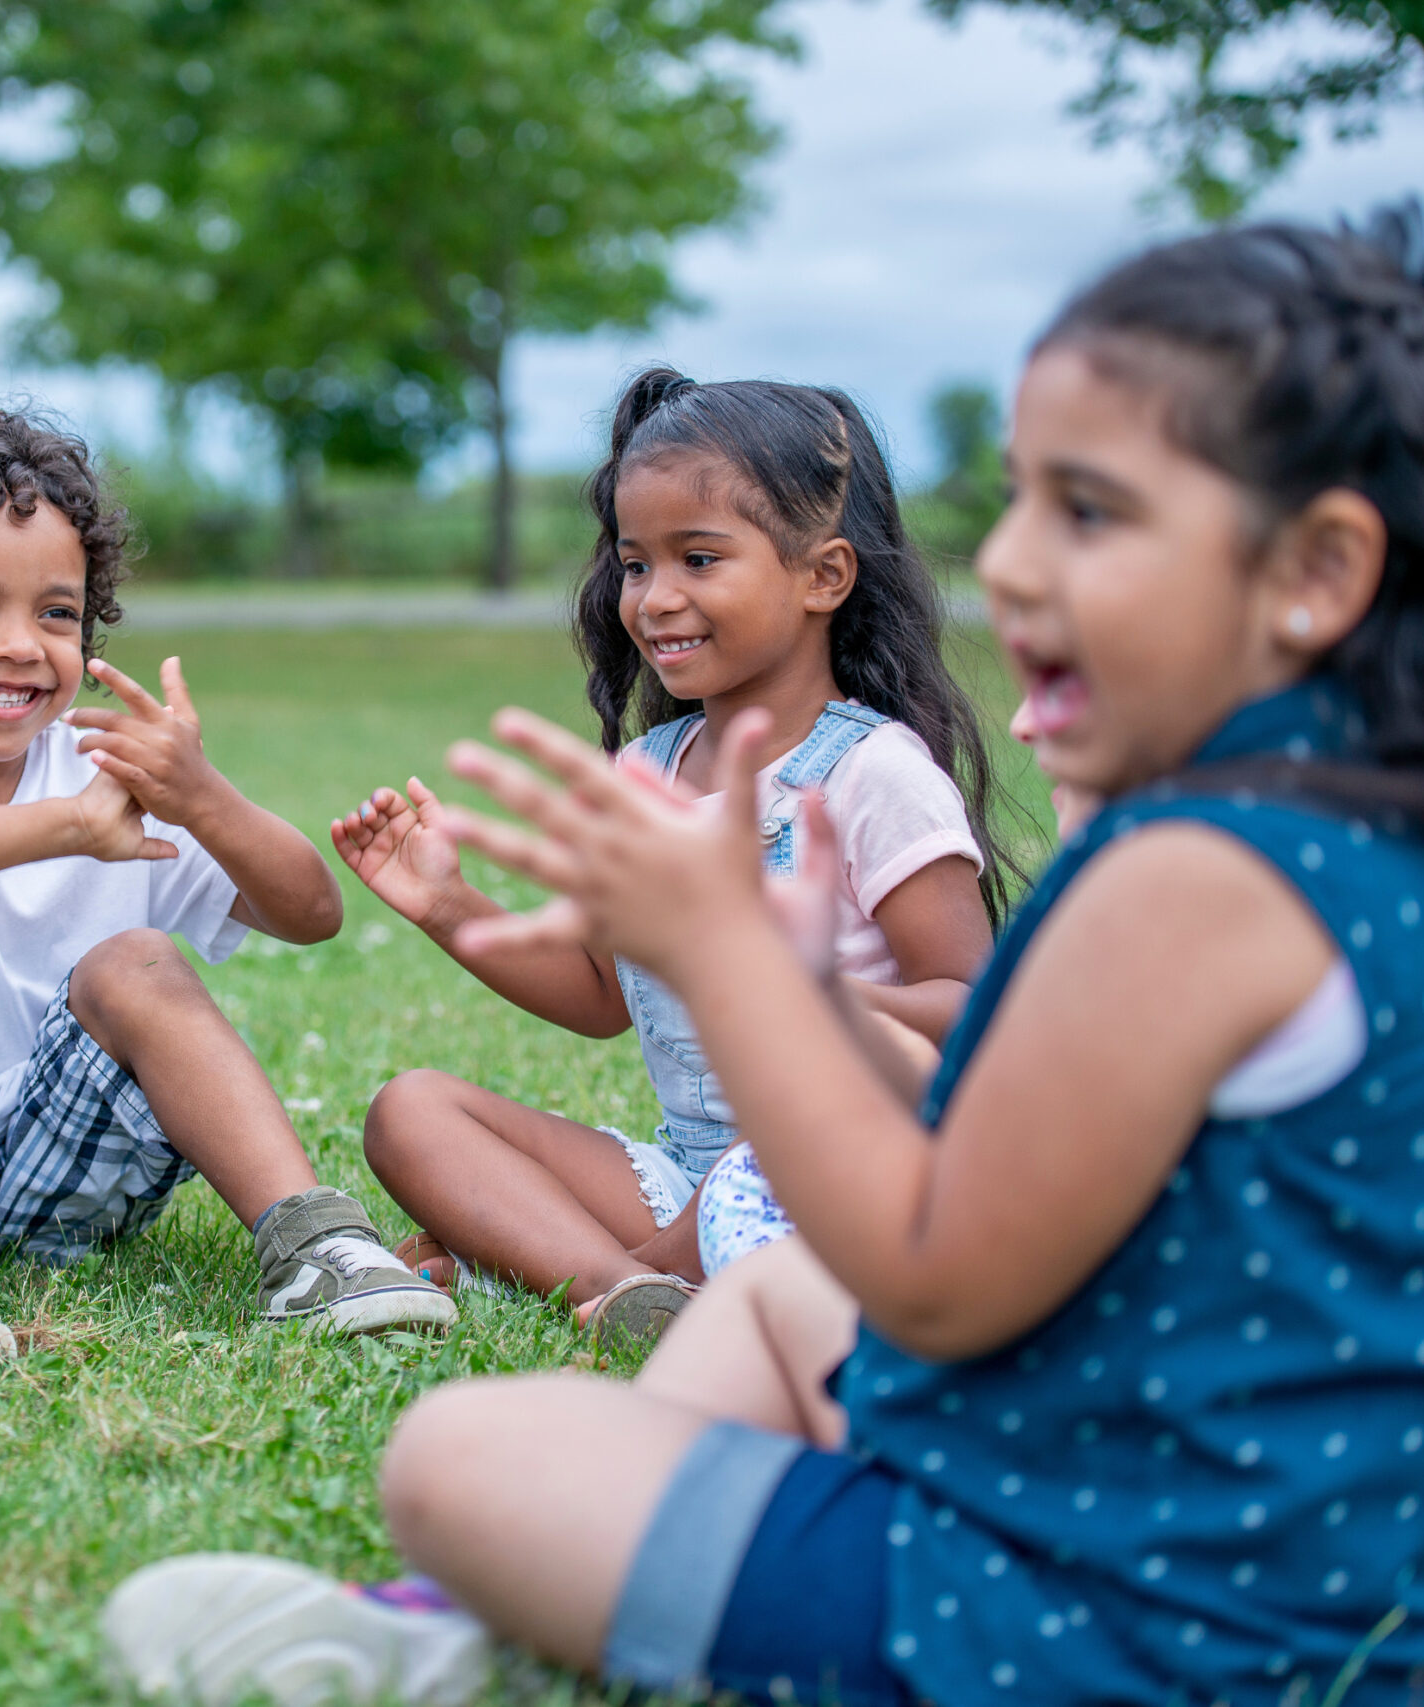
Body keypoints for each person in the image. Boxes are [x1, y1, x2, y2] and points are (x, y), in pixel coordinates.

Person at [96, 206, 1424, 1707]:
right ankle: (512, 1616)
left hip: (1156, 1617)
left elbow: (935, 1279)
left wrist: (738, 960)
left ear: (1316, 571)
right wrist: (623, 938)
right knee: (780, 1302)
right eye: (1023, 498)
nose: (1018, 561)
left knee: (461, 1454)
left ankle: (485, 1621)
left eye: (1092, 511)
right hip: (1354, 1561)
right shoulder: (1356, 831)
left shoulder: (1191, 876)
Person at [0, 399, 452, 1363]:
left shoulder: (106, 768)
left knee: (139, 960)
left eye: (58, 613)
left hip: (53, 1180)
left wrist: (201, 797)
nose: (22, 644)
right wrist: (64, 827)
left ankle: (316, 1245)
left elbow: (311, 911)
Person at [337, 373, 1007, 1342]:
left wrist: (801, 986)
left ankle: (579, 1273)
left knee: (772, 1145)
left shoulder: (872, 776)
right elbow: (603, 995)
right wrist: (448, 906)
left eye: (698, 558)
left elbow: (969, 1009)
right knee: (411, 1112)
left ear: (823, 575)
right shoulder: (645, 775)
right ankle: (632, 1294)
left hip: (833, 1170)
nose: (655, 599)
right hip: (682, 1173)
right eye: (636, 564)